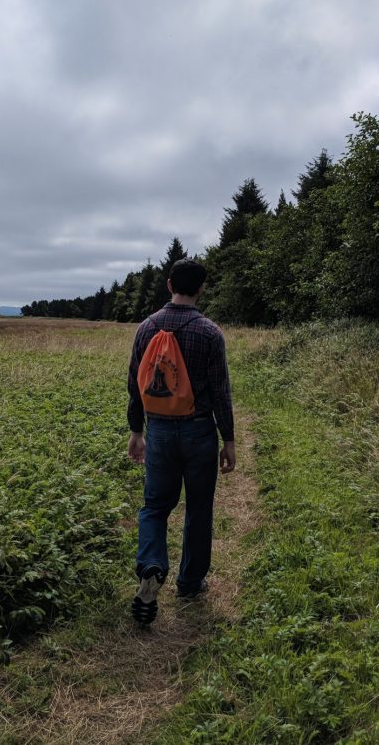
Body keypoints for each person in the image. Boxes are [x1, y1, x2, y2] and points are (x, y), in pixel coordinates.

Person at [126, 258, 235, 625]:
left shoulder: (146, 328)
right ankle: (189, 583)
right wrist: (229, 439)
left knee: (155, 506)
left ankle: (151, 565)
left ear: (169, 284)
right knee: (199, 508)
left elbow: (135, 385)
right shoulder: (210, 333)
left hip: (158, 431)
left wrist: (136, 431)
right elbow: (220, 392)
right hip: (199, 431)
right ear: (201, 288)